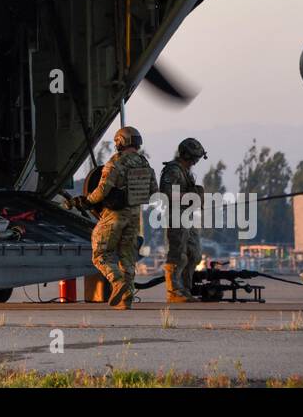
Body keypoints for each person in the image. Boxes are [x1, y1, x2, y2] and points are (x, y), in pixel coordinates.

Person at [75, 125, 157, 309]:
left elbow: (102, 191)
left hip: (114, 215)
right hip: (135, 217)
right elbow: (153, 192)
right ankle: (126, 299)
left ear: (120, 141)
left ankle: (117, 282)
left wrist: (87, 202)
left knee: (100, 254)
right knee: (127, 257)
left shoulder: (116, 162)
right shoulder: (144, 163)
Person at [160, 137, 206, 303]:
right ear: (187, 155)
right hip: (175, 216)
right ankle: (174, 291)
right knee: (177, 254)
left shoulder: (185, 171)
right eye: (194, 157)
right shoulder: (172, 170)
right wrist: (190, 196)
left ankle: (185, 289)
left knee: (194, 254)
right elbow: (165, 194)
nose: (195, 161)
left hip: (187, 216)